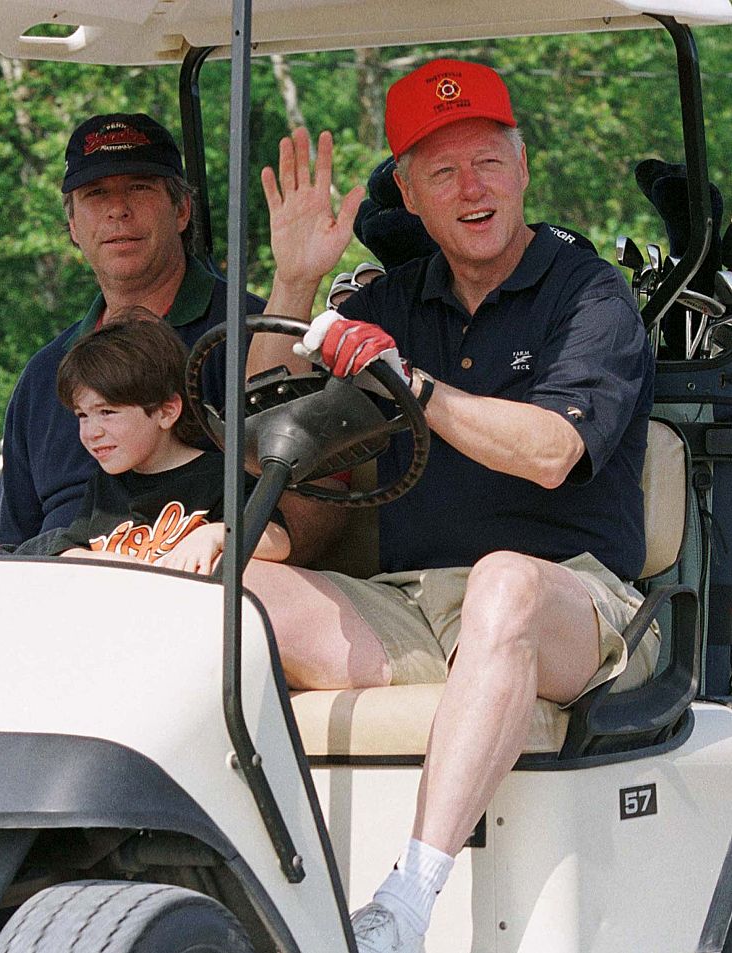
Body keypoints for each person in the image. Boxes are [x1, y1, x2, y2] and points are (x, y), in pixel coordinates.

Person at [246, 58, 658, 953]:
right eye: (442, 171)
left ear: (522, 168)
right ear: (408, 193)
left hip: (578, 605)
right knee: (230, 590)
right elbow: (261, 429)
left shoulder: (590, 295)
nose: (472, 189)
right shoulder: (390, 300)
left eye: (489, 162)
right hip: (415, 602)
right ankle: (220, 873)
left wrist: (405, 379)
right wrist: (294, 288)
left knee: (505, 584)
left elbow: (553, 452)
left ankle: (405, 904)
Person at [0, 112, 265, 554]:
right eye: (96, 194)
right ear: (73, 226)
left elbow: (297, 520)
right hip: (48, 598)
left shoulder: (251, 336)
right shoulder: (42, 376)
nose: (118, 209)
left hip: (196, 599)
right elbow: (2, 541)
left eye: (139, 186)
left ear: (182, 210)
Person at [48, 312, 289, 569]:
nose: (91, 432)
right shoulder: (104, 485)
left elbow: (278, 540)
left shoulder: (222, 475)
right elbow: (69, 548)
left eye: (107, 412)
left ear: (166, 411)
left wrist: (214, 535)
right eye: (82, 415)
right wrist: (96, 560)